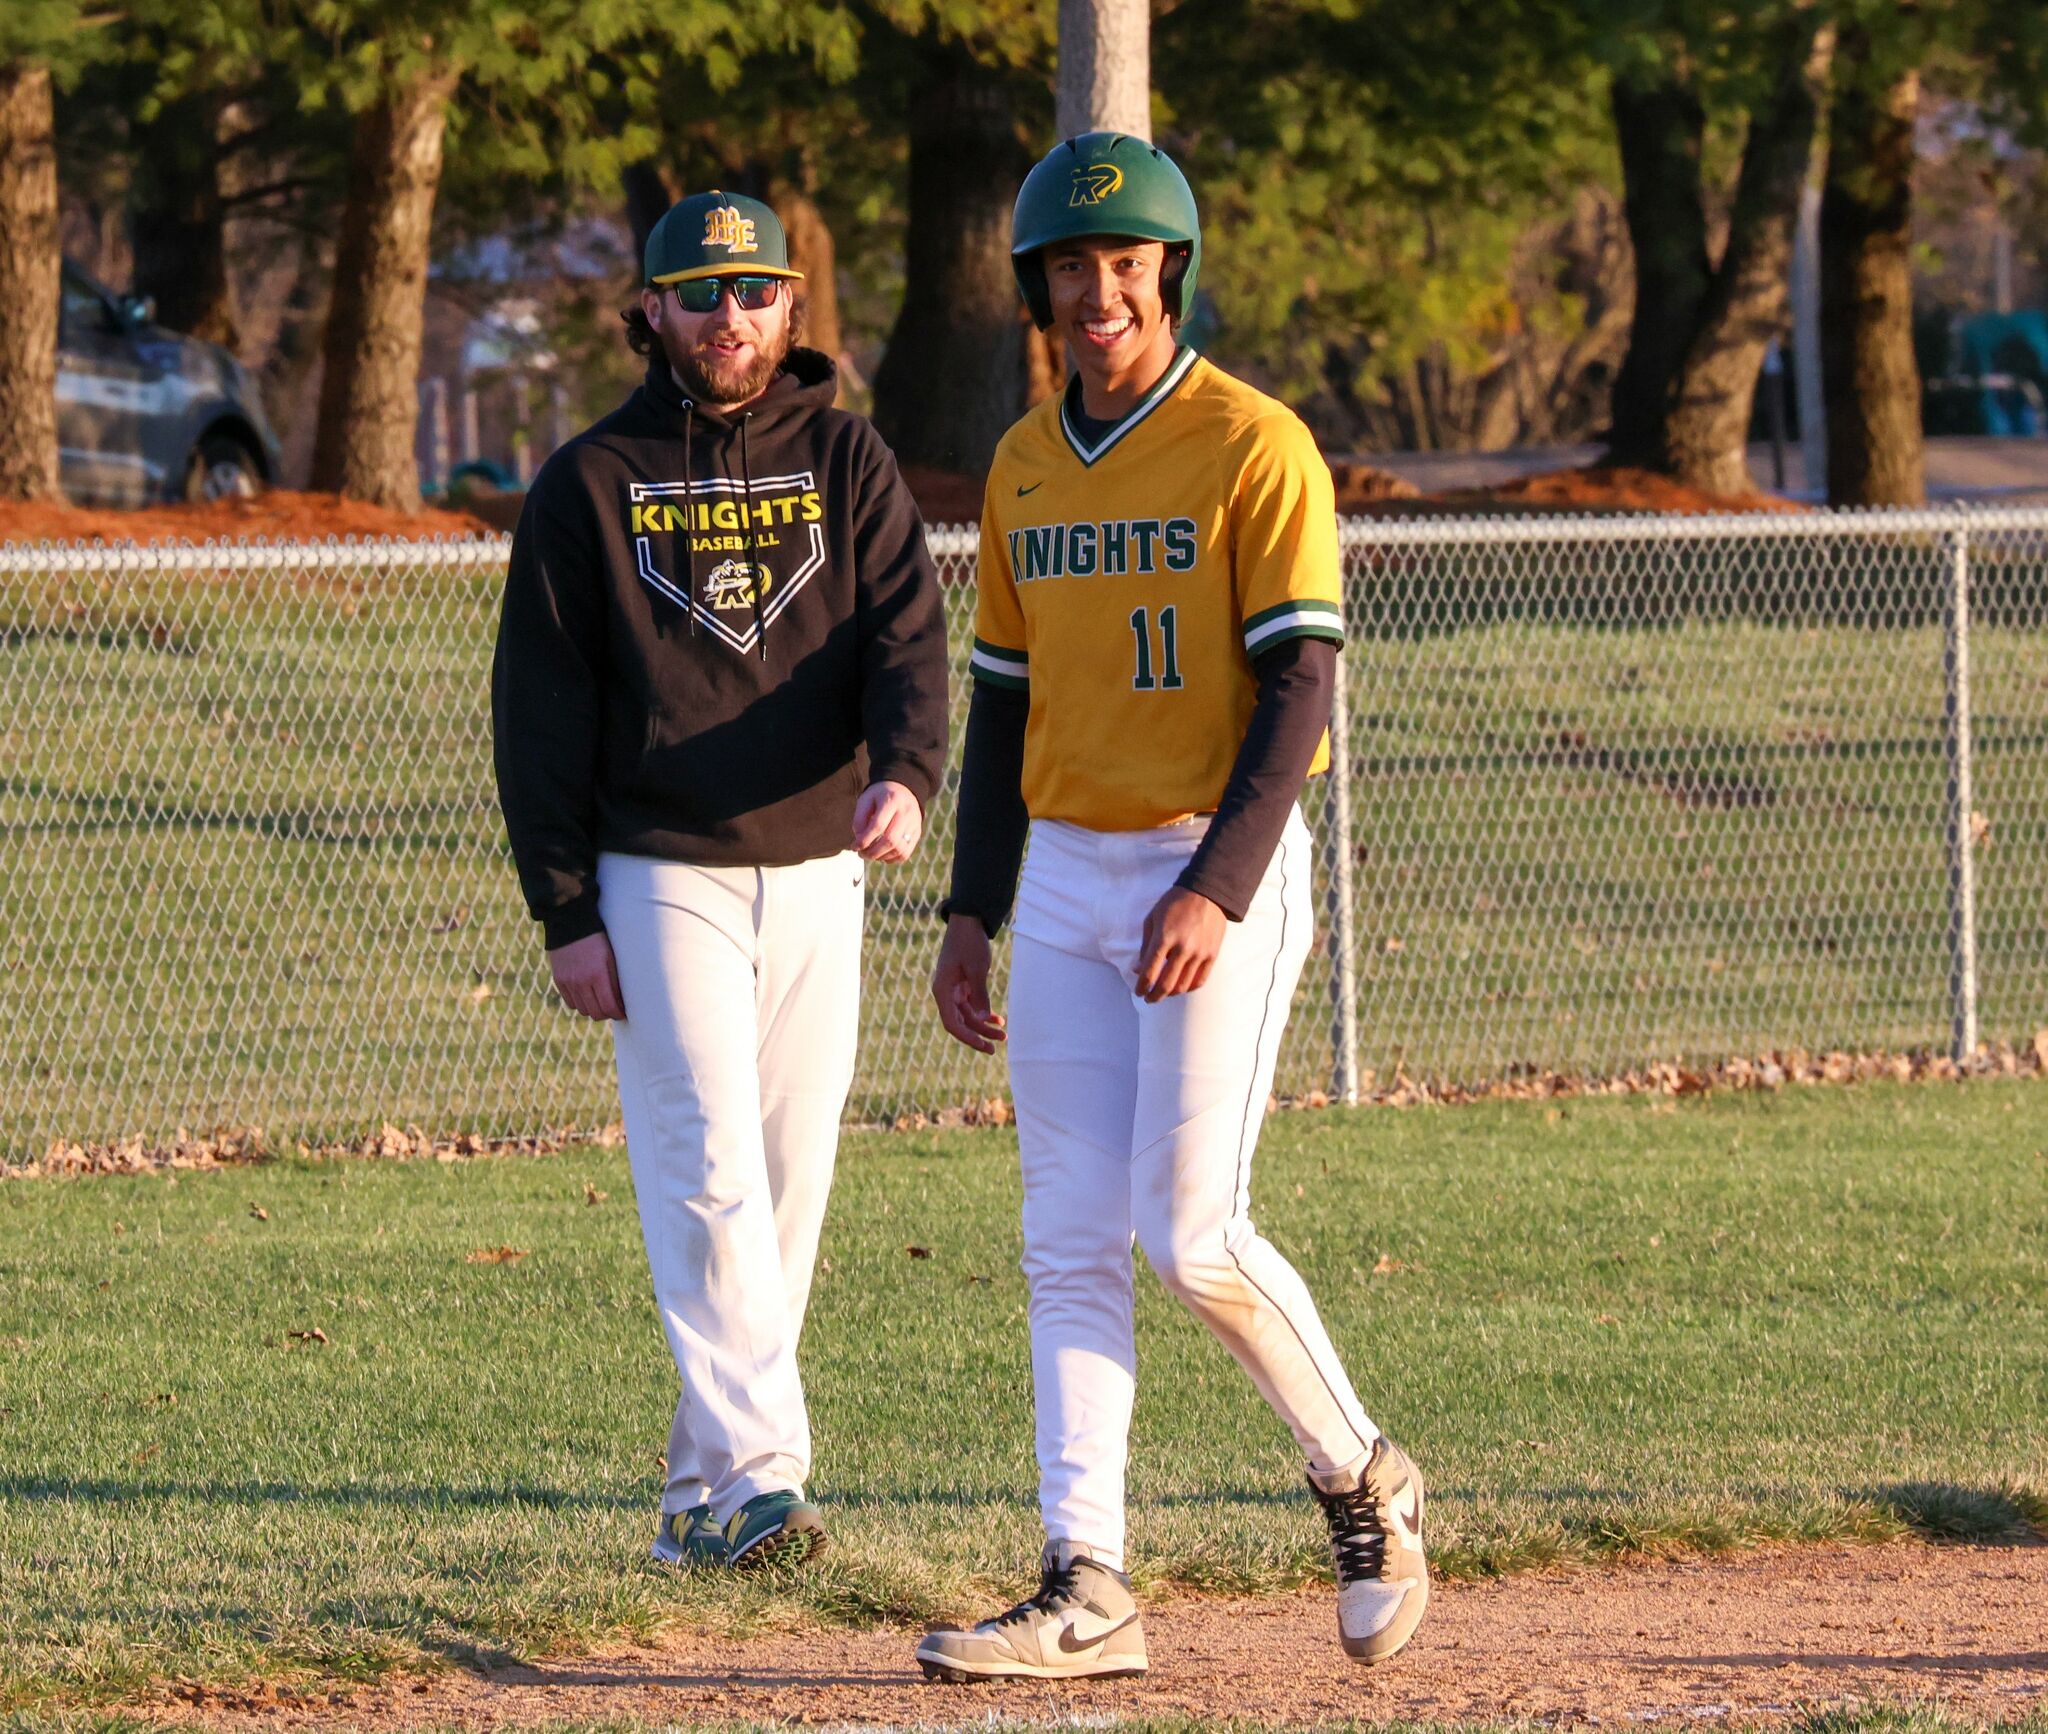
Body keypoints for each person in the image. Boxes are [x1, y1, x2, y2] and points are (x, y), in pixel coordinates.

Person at [920, 134, 1426, 1680]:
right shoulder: (1017, 462)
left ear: (1171, 272)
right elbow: (1003, 706)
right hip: (1066, 869)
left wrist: (1217, 883)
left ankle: (1362, 1476)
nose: (1099, 290)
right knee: (1066, 1237)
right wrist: (970, 908)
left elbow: (1303, 687)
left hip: (1217, 857)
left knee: (1188, 1230)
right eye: (1071, 266)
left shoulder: (1254, 444)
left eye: (1126, 260)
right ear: (1039, 288)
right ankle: (1089, 1581)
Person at [492, 189, 947, 1571]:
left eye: (753, 291)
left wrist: (908, 775)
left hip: (819, 863)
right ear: (649, 311)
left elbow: (908, 643)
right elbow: (539, 710)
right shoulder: (591, 480)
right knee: (704, 1163)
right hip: (659, 868)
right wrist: (566, 909)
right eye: (698, 293)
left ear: (792, 304)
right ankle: (765, 1476)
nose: (728, 316)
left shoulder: (849, 459)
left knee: (788, 1183)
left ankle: (699, 1502)